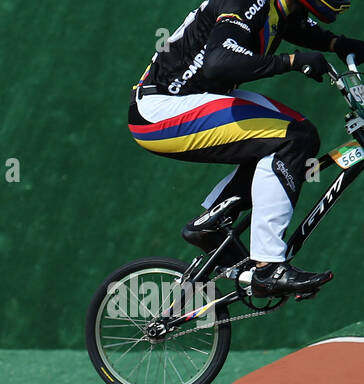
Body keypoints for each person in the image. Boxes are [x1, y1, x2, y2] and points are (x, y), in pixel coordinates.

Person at [129, 0, 364, 294]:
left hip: (192, 101)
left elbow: (294, 26)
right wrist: (291, 62)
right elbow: (218, 63)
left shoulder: (280, 7)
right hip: (161, 110)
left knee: (302, 135)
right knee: (292, 138)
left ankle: (212, 221)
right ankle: (268, 266)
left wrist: (338, 44)